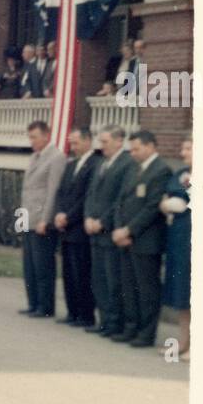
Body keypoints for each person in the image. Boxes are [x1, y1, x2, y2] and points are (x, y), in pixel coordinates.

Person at [111, 129, 171, 348]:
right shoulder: (133, 169)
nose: (133, 153)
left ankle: (146, 334)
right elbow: (120, 202)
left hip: (146, 241)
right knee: (129, 286)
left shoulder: (161, 171)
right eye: (131, 149)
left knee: (146, 290)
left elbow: (152, 207)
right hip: (125, 238)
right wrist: (119, 229)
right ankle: (131, 328)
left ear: (150, 146)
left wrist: (128, 231)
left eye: (137, 149)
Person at [82, 125, 132, 336]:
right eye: (100, 142)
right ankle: (103, 320)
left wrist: (102, 222)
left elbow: (118, 200)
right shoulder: (102, 163)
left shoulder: (126, 164)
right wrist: (87, 218)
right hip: (94, 229)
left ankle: (114, 323)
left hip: (108, 230)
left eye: (105, 141)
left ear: (119, 141)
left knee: (113, 280)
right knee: (99, 279)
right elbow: (91, 194)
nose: (101, 146)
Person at [52, 126, 99, 327]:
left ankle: (85, 315)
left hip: (79, 227)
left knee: (82, 273)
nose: (72, 146)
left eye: (76, 142)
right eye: (71, 142)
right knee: (69, 273)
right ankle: (72, 312)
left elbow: (86, 197)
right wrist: (59, 214)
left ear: (88, 141)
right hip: (66, 227)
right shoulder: (71, 165)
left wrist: (68, 217)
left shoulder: (95, 164)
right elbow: (62, 192)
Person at [18, 119, 66, 318]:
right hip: (28, 218)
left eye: (35, 137)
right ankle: (33, 302)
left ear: (46, 136)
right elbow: (28, 191)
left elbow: (53, 191)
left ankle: (45, 307)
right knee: (29, 265)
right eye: (30, 137)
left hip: (41, 221)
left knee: (43, 266)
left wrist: (45, 220)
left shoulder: (56, 157)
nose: (32, 141)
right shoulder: (35, 157)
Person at [160, 134, 192, 361]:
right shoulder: (181, 173)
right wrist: (166, 204)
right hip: (178, 240)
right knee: (182, 293)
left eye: (189, 149)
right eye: (183, 149)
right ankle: (183, 342)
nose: (183, 153)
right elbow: (168, 193)